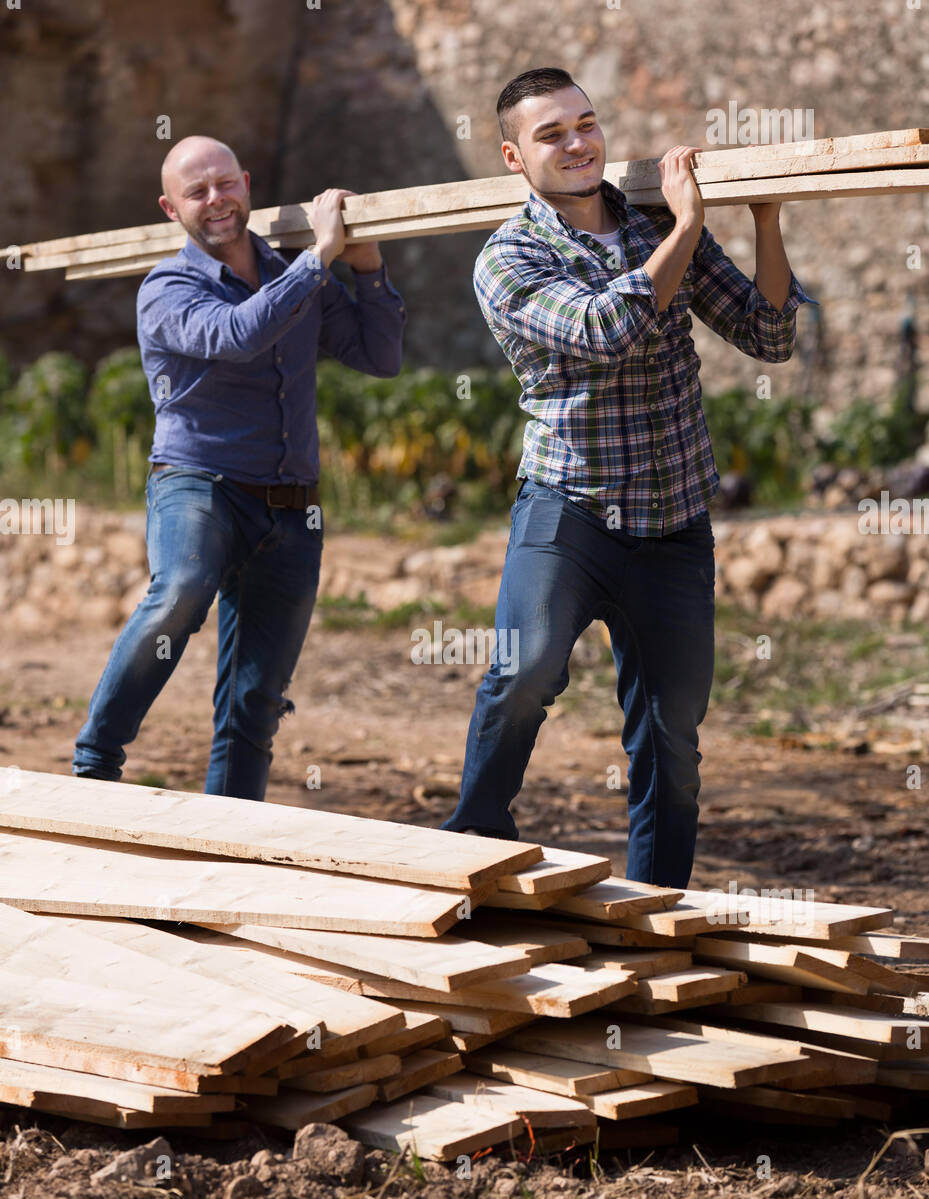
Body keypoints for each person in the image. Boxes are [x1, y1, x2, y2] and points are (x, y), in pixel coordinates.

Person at [441, 68, 816, 888]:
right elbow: (603, 329)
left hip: (673, 523)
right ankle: (471, 854)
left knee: (670, 732)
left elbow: (767, 334)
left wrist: (764, 216)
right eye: (551, 134)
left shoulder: (652, 220)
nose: (577, 144)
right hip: (569, 511)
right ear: (513, 155)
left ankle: (654, 902)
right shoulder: (508, 259)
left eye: (586, 124)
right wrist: (685, 226)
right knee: (523, 672)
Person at [72, 136, 405, 799]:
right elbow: (235, 335)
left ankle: (231, 827)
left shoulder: (294, 274)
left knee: (257, 692)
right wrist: (320, 259)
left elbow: (378, 356)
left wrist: (366, 271)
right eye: (196, 192)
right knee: (180, 592)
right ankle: (95, 766)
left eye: (225, 183)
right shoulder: (166, 288)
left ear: (246, 183)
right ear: (171, 208)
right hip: (199, 482)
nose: (216, 200)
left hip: (291, 501)